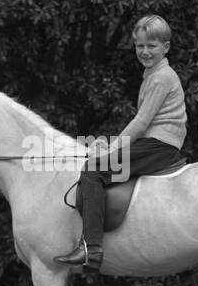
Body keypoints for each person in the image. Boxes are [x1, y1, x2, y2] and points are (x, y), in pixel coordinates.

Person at [54, 14, 188, 272]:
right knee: (98, 156)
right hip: (156, 141)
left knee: (93, 171)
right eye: (140, 46)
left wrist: (114, 147)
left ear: (166, 47)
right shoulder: (153, 73)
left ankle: (90, 248)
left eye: (152, 46)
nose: (145, 51)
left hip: (160, 145)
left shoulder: (162, 77)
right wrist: (111, 145)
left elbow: (141, 122)